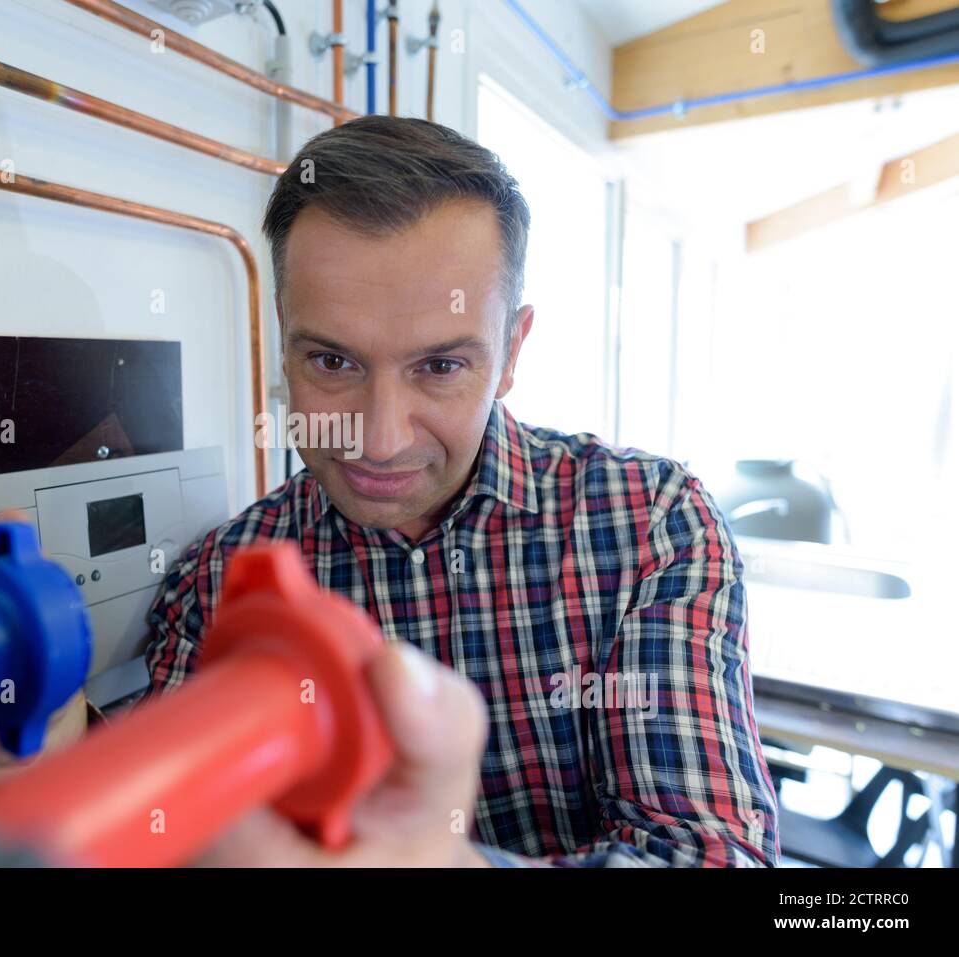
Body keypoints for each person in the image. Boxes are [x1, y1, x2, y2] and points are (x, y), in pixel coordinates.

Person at [145, 115, 780, 867]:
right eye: (332, 362)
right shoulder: (214, 585)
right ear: (283, 337)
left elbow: (709, 855)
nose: (379, 439)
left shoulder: (650, 525)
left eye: (440, 367)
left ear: (511, 351)